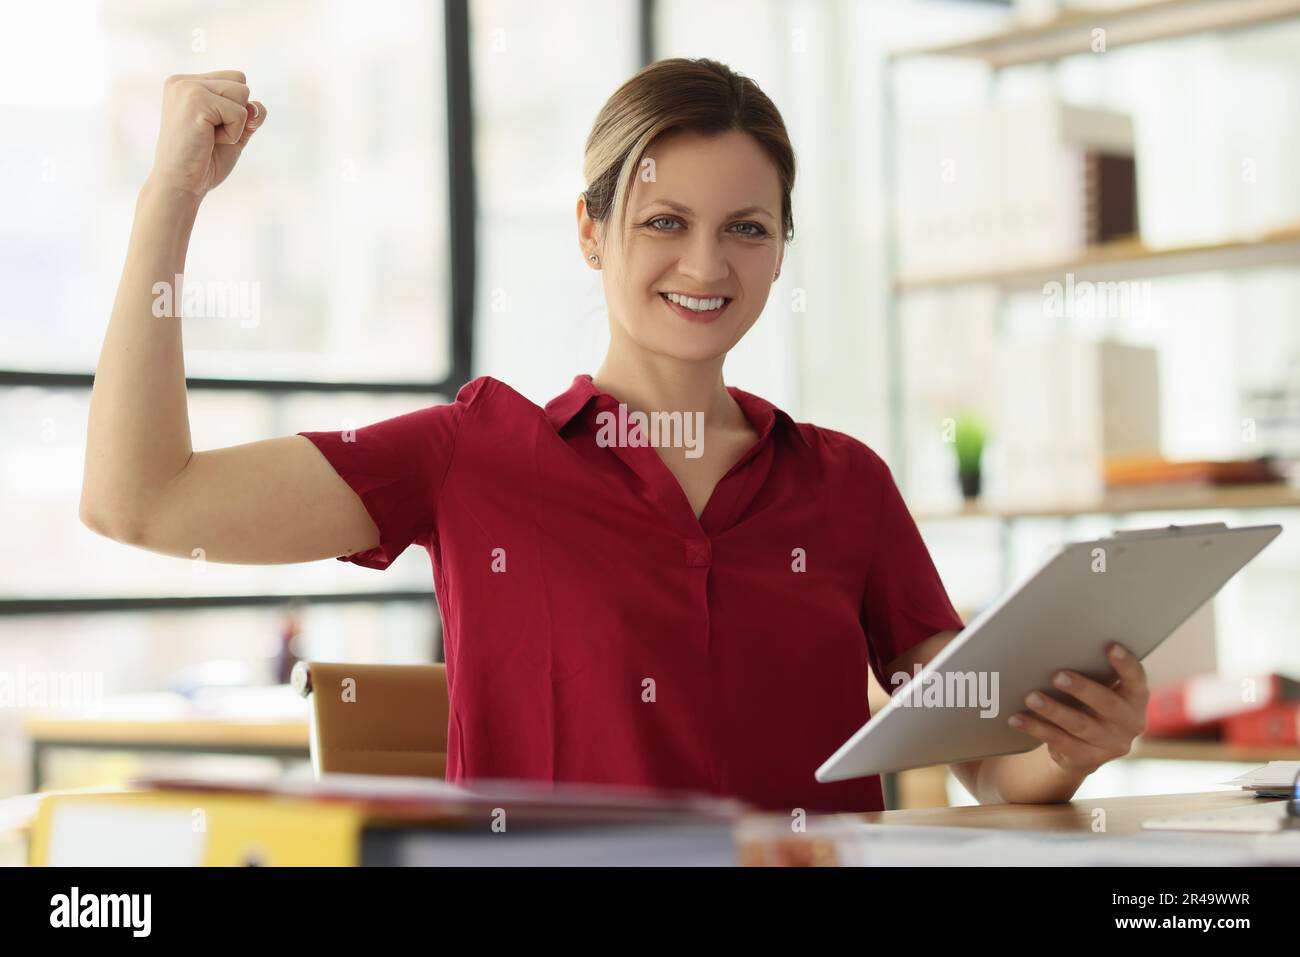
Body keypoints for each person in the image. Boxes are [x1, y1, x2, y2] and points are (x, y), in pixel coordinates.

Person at [80, 57, 1147, 814]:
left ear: (782, 248)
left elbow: (991, 763)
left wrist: (1073, 744)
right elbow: (142, 501)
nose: (706, 266)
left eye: (746, 228)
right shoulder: (470, 456)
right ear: (591, 232)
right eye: (663, 222)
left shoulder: (846, 484)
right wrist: (171, 197)